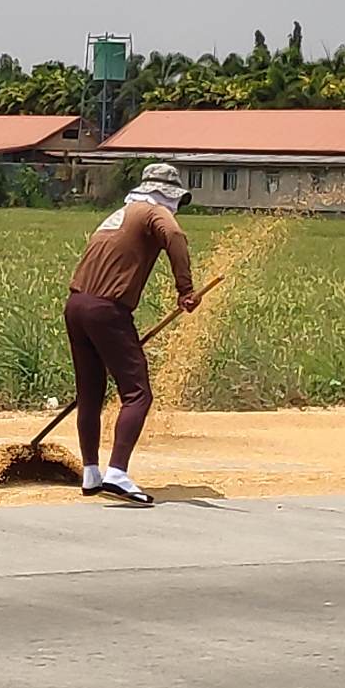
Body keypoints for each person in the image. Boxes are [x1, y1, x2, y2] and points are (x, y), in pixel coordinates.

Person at [65, 162, 202, 505]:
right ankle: (118, 473)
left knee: (90, 393)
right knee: (138, 392)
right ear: (164, 194)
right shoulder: (153, 212)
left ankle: (91, 473)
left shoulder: (120, 214)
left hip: (77, 306)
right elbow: (175, 236)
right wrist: (185, 289)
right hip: (108, 310)